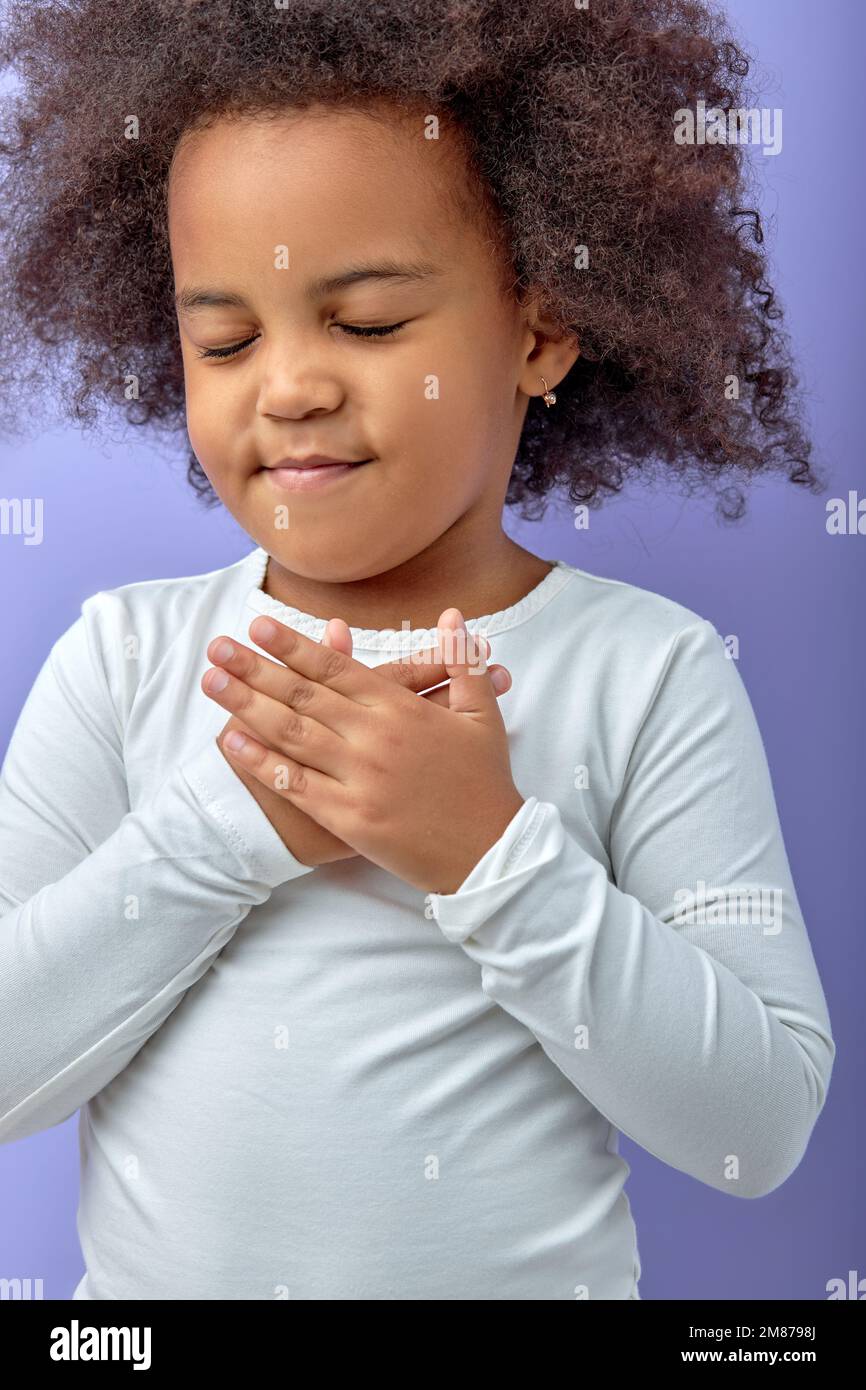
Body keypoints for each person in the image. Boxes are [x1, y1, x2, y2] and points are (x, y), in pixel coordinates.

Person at [0, 0, 834, 1300]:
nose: (285, 387)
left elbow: (759, 1121)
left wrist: (489, 851)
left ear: (539, 330)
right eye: (224, 338)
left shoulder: (647, 670)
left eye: (370, 322)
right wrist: (230, 828)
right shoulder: (122, 660)